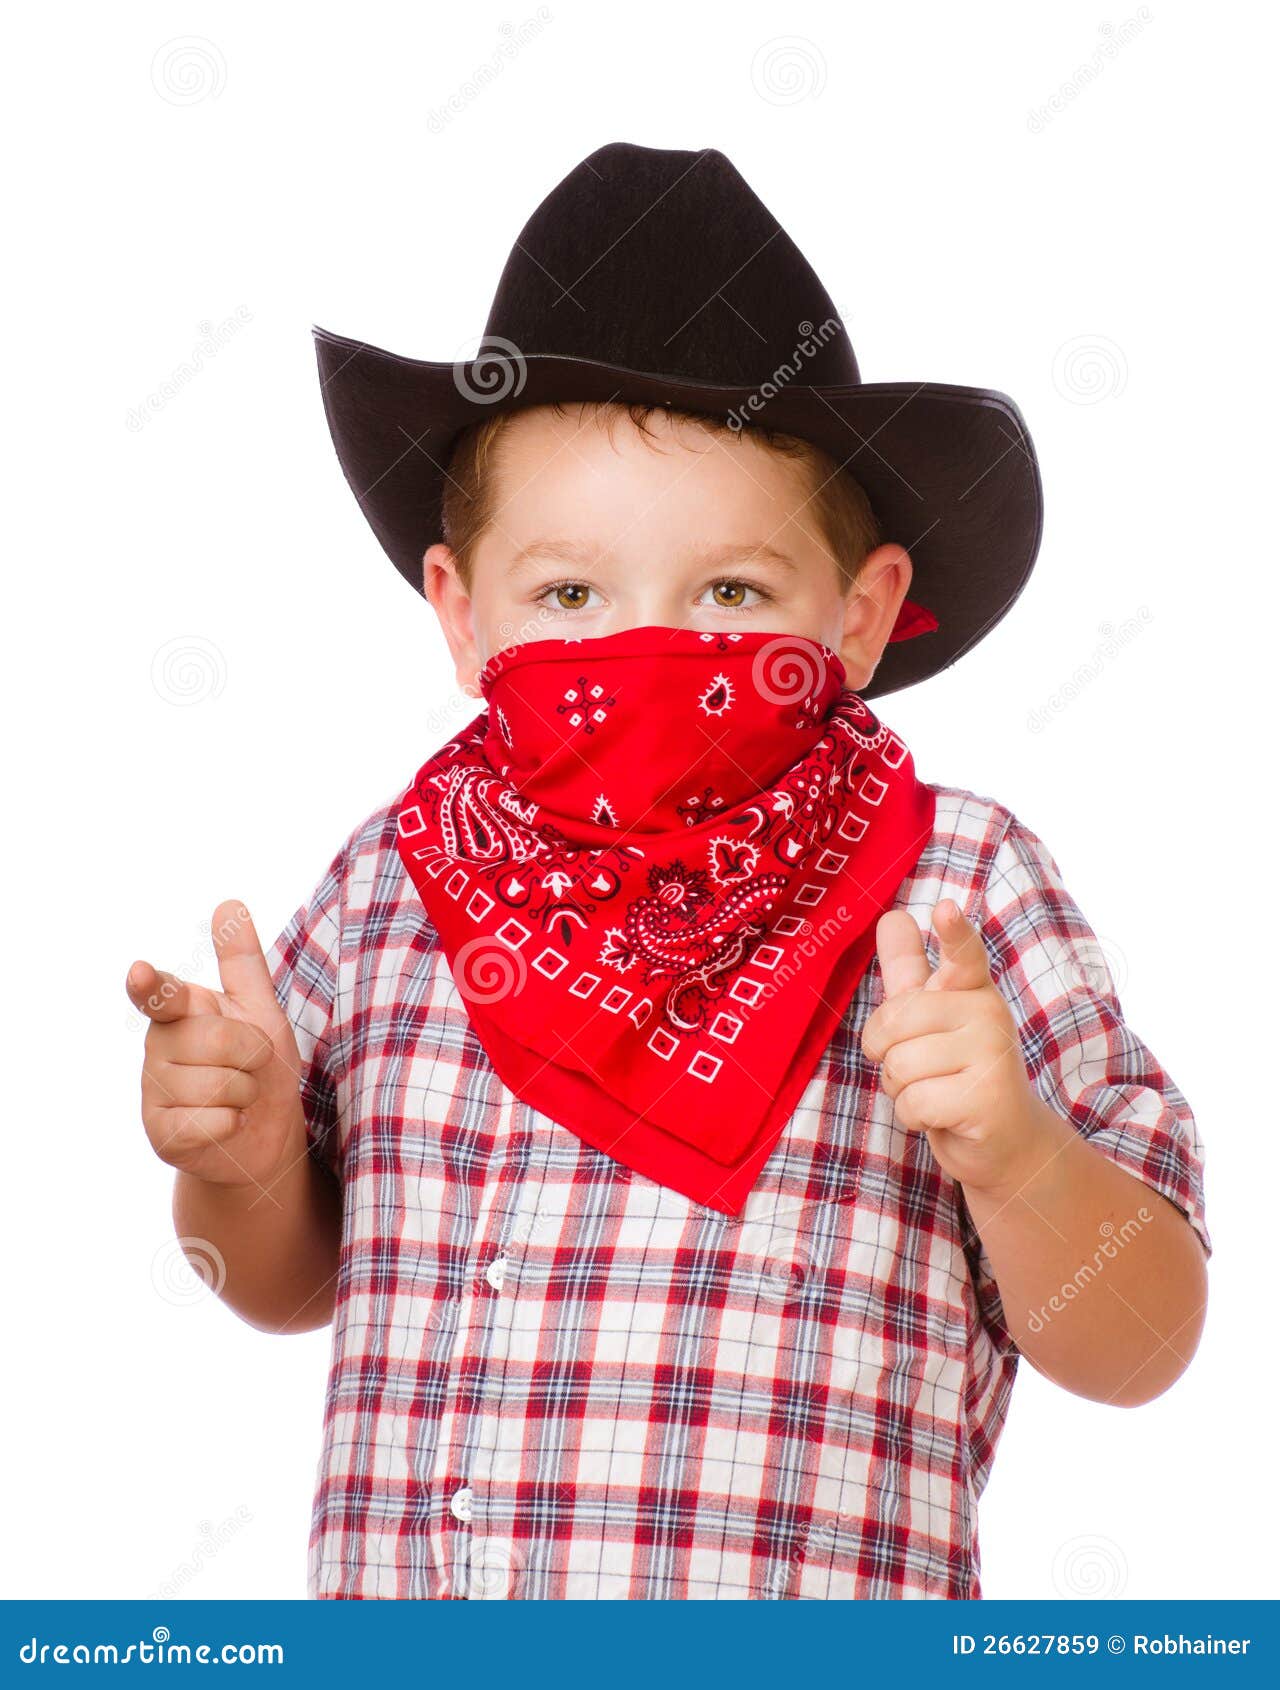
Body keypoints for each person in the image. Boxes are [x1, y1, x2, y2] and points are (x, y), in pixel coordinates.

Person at [125, 143, 1208, 1600]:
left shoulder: (948, 887)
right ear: (460, 615)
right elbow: (290, 1281)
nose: (651, 652)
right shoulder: (395, 887)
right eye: (570, 595)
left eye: (732, 592)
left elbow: (1145, 1337)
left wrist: (1017, 1156)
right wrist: (245, 1175)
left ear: (862, 613)